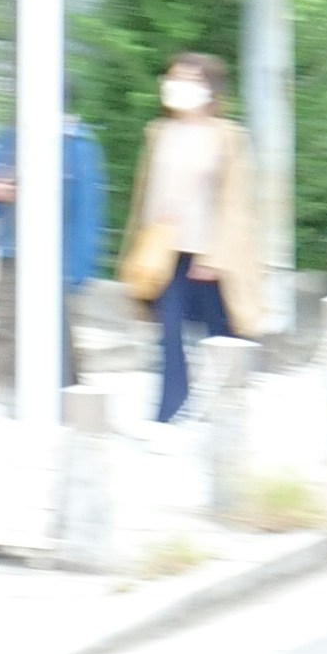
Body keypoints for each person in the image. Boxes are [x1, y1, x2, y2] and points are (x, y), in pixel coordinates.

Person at [116, 51, 269, 423]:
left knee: (222, 333)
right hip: (165, 251)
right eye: (173, 78)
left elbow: (235, 202)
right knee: (168, 332)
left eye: (188, 79)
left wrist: (216, 255)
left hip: (212, 254)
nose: (177, 86)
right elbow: (145, 195)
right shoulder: (159, 132)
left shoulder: (227, 137)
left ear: (209, 89)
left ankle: (229, 410)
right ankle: (171, 411)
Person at [0, 108, 105, 400]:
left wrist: (80, 269)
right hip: (14, 249)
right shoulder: (13, 138)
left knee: (60, 333)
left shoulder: (78, 146)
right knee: (9, 325)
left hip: (60, 256)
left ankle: (75, 400)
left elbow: (86, 210)